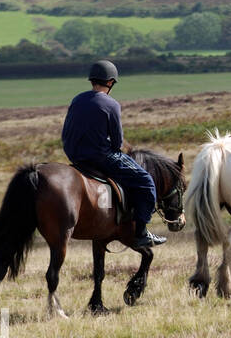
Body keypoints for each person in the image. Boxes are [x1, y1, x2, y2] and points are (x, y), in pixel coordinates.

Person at [61, 60, 166, 249]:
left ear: (92, 80)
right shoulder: (112, 104)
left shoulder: (77, 99)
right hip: (100, 157)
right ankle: (141, 232)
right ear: (110, 82)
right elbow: (117, 143)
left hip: (75, 156)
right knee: (146, 181)